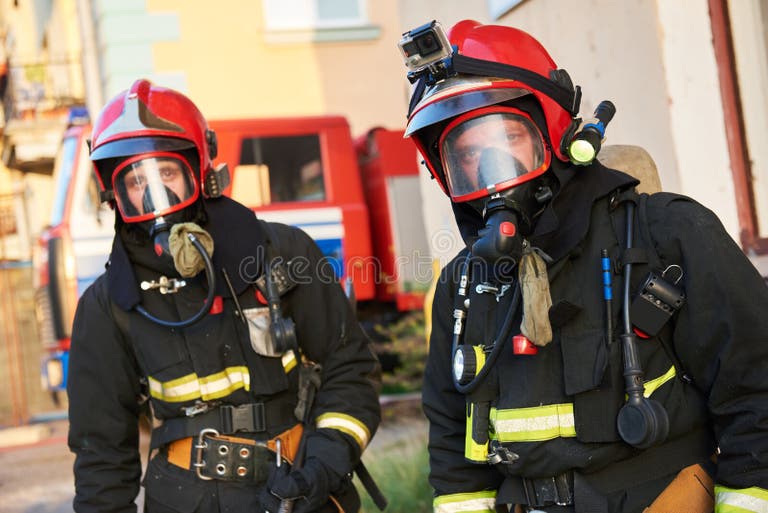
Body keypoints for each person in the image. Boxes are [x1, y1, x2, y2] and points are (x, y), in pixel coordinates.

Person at [401, 19, 768, 513]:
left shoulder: (668, 235)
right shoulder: (463, 284)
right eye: (464, 154)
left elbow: (755, 388)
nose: (486, 168)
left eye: (505, 138)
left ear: (552, 130)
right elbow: (453, 447)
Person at [67, 79, 382, 513]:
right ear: (115, 195)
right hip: (185, 500)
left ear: (199, 172)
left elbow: (350, 368)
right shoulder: (108, 306)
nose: (155, 195)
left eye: (166, 173)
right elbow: (101, 456)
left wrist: (323, 468)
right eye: (137, 181)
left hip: (301, 489)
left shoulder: (282, 254)